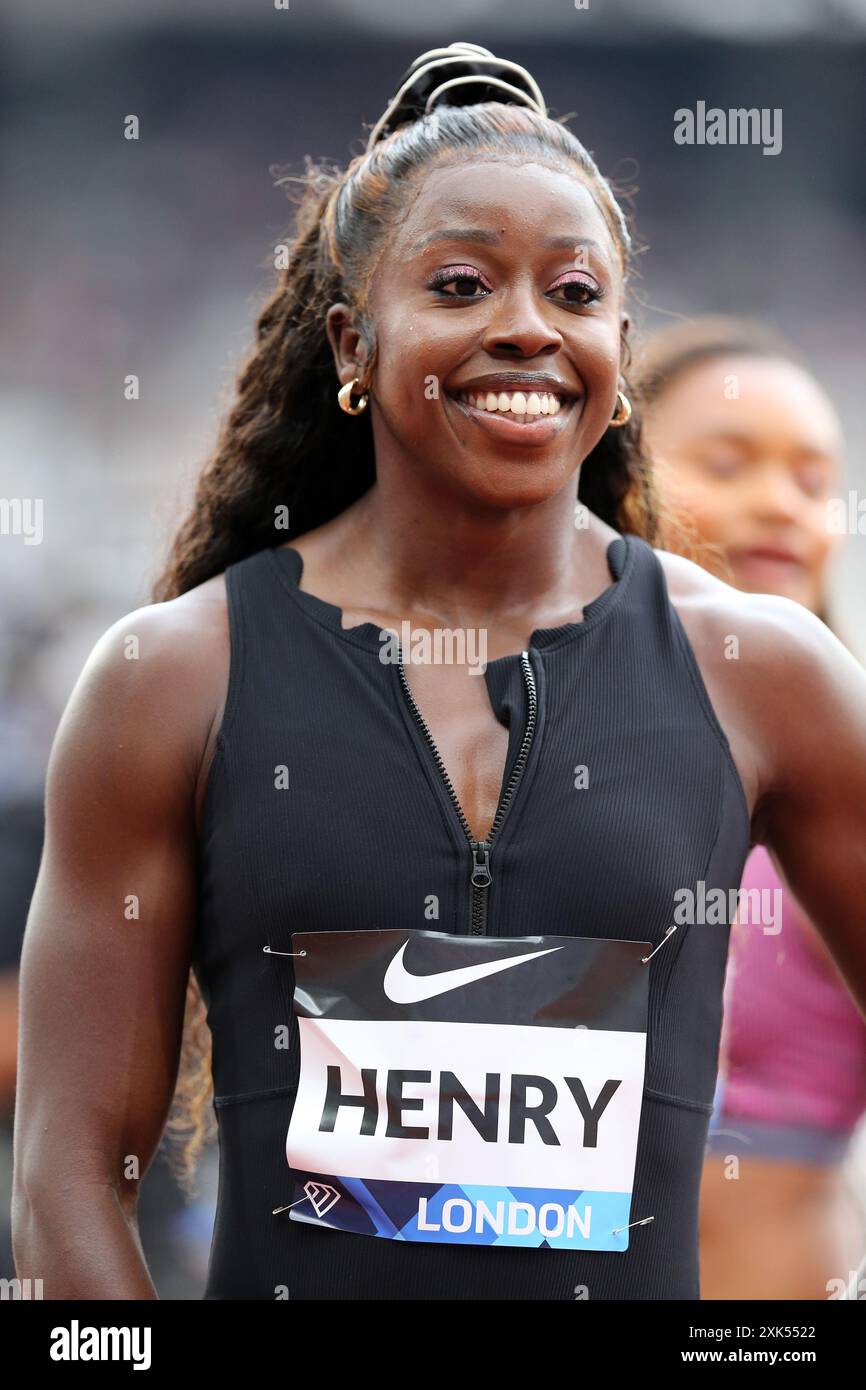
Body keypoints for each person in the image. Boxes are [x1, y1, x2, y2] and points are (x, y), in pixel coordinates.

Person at [11, 43, 866, 1302]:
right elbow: (68, 1170)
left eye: (574, 293)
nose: (525, 326)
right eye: (461, 283)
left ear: (617, 355)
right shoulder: (169, 678)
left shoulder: (763, 671)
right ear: (353, 342)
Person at [638, 316, 866, 1299]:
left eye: (814, 483)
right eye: (725, 464)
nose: (777, 504)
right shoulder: (488, 756)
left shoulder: (841, 791)